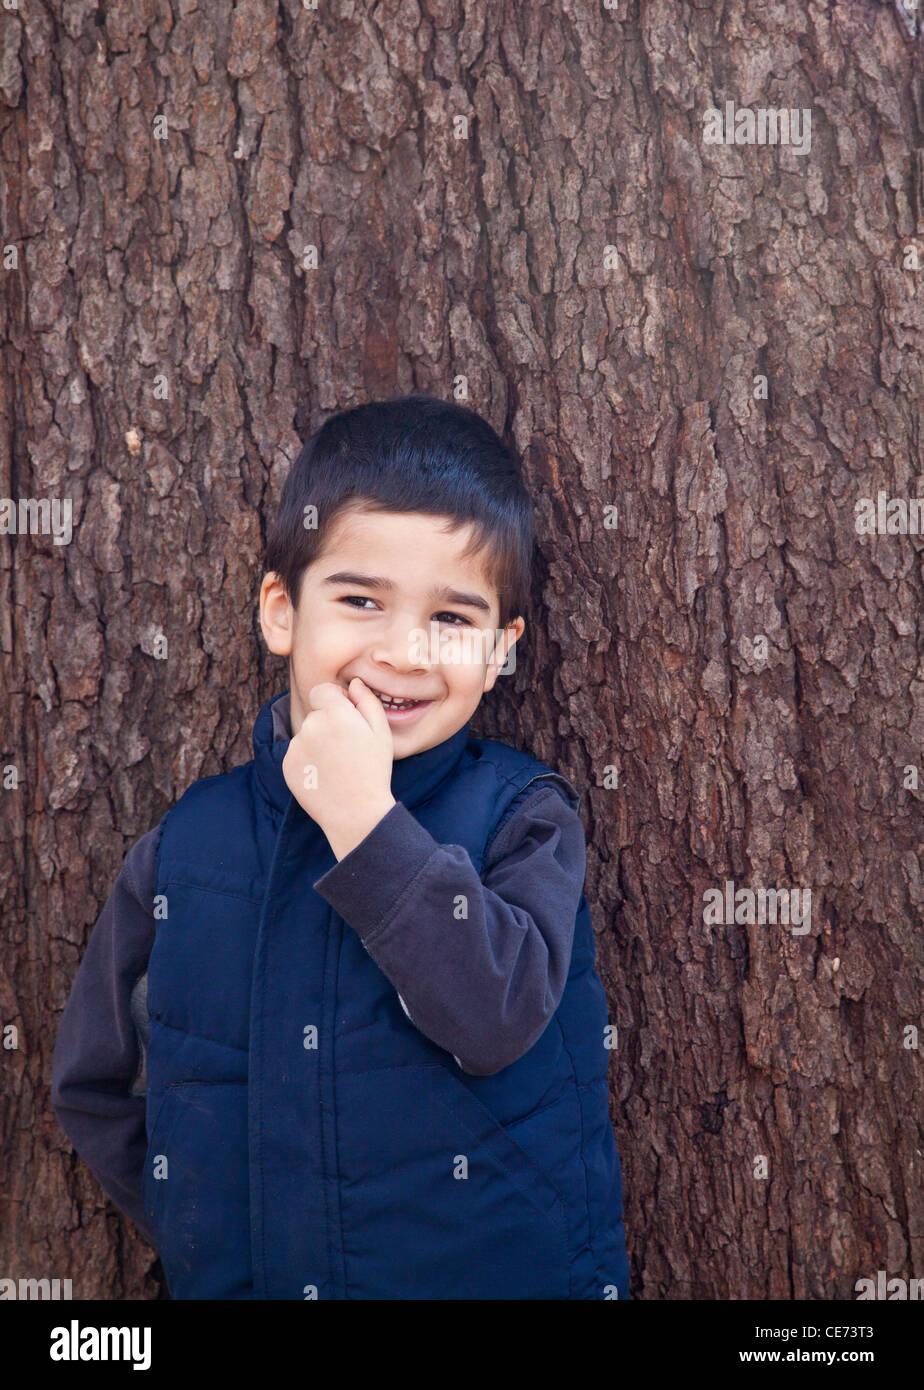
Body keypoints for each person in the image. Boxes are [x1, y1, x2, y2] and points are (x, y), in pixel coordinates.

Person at [50, 394, 630, 1300]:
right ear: (282, 611)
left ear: (501, 650)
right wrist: (222, 1223)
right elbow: (95, 1084)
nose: (403, 650)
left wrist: (366, 822)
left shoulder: (521, 816)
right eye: (360, 600)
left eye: (452, 618)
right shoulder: (190, 847)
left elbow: (494, 1016)